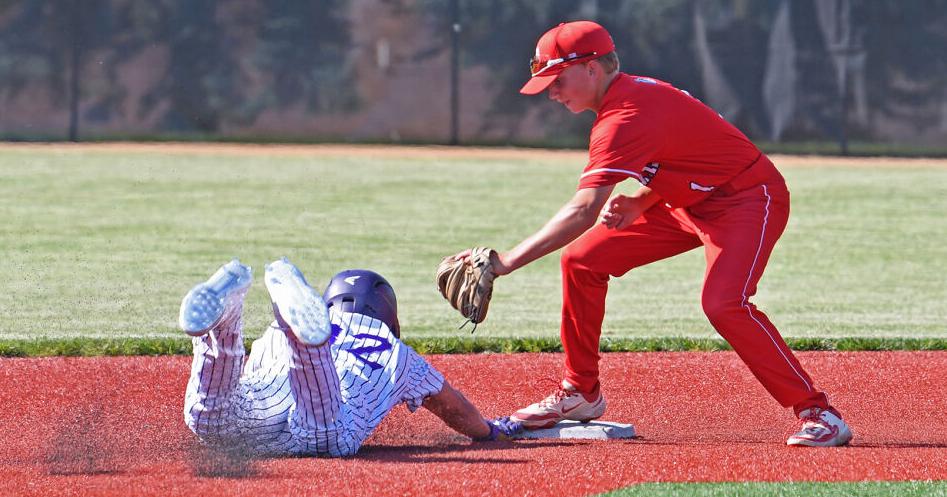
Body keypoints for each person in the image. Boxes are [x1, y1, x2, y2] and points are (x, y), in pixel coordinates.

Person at [453, 20, 852, 447]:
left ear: (591, 68)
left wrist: (506, 262)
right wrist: (643, 201)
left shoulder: (625, 114)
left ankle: (819, 412)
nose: (551, 92)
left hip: (747, 200)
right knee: (582, 261)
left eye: (557, 79)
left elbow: (584, 210)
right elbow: (683, 154)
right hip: (684, 202)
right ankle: (581, 393)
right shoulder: (625, 99)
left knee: (723, 303)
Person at [179, 258, 521, 457]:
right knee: (323, 432)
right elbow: (454, 407)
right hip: (325, 419)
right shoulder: (399, 352)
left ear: (327, 304)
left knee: (212, 420)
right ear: (389, 316)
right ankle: (309, 347)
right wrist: (487, 431)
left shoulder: (273, 332)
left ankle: (225, 323)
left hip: (262, 402)